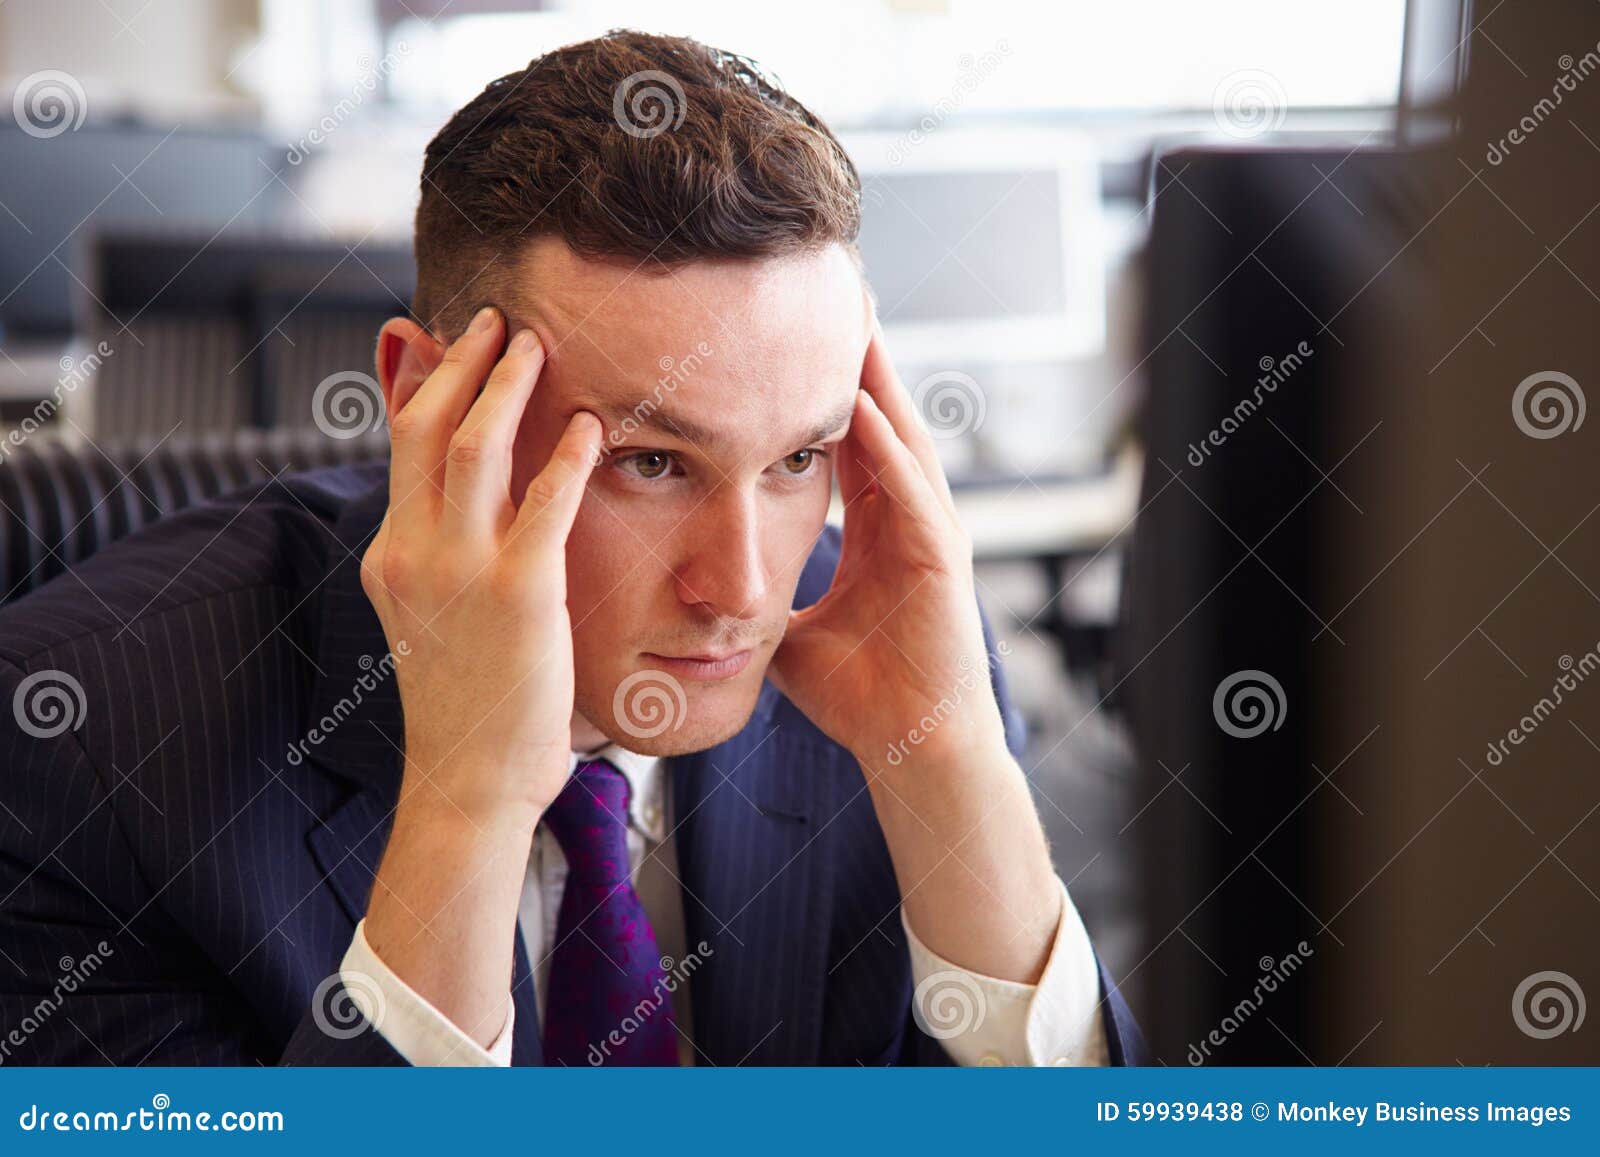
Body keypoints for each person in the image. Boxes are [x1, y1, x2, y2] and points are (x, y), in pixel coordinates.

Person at [0, 29, 1144, 1066]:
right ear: (426, 398)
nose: (743, 589)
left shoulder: (886, 664)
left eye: (800, 458)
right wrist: (466, 803)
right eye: (650, 463)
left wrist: (950, 771)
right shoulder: (77, 753)